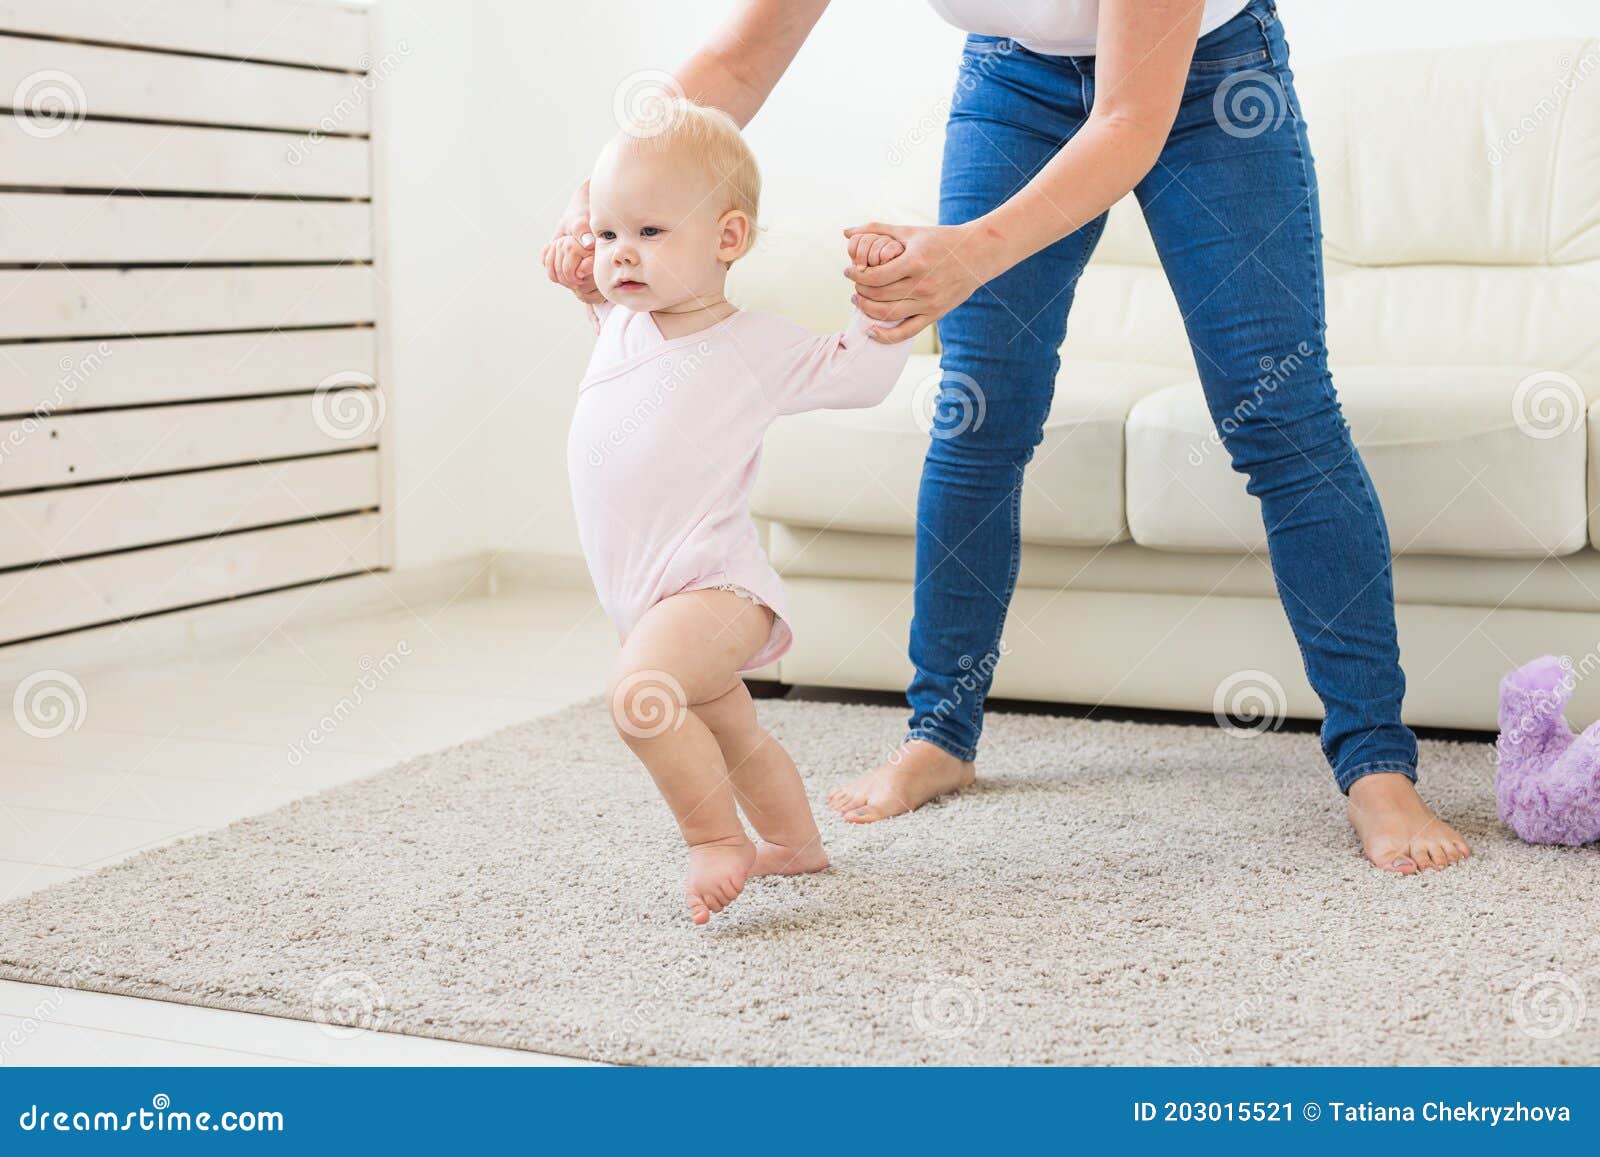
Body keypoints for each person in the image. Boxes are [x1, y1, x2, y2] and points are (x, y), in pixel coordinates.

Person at [548, 0, 1471, 875]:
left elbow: (1125, 122)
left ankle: (1377, 766)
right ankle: (940, 734)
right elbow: (742, 58)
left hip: (1205, 82)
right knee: (979, 413)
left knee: (1282, 418)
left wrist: (971, 252)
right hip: (1015, 78)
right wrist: (601, 198)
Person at [556, 99, 912, 922]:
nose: (620, 255)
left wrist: (879, 299)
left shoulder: (754, 345)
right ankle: (794, 842)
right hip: (646, 596)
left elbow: (856, 375)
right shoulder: (621, 324)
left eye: (649, 232)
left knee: (642, 698)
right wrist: (574, 259)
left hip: (715, 589)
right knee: (734, 733)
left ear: (727, 239)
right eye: (607, 234)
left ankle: (714, 838)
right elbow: (586, 281)